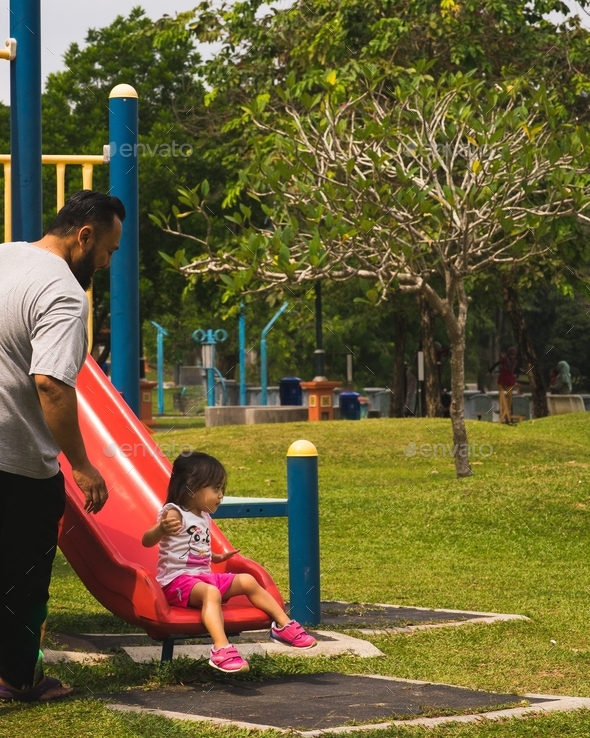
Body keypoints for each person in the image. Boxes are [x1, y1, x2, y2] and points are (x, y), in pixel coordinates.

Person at [0, 191, 125, 702]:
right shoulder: (65, 294)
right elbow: (51, 383)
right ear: (86, 236)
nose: (108, 262)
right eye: (109, 251)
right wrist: (83, 465)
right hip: (17, 462)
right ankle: (18, 679)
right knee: (23, 579)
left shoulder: (5, 254)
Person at [142, 452, 317, 673]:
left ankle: (283, 625)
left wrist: (214, 557)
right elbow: (146, 540)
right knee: (211, 593)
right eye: (215, 489)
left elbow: (193, 549)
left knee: (247, 580)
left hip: (201, 579)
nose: (221, 495)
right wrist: (159, 529)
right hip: (175, 584)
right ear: (191, 487)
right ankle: (221, 648)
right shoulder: (174, 513)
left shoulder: (203, 516)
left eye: (221, 489)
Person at [488, 347, 520, 423]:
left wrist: (517, 378)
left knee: (509, 395)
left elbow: (516, 370)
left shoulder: (515, 362)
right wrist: (490, 371)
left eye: (514, 355)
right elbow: (496, 364)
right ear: (509, 354)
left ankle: (507, 409)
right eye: (511, 355)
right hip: (503, 377)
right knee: (501, 394)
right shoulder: (504, 360)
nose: (513, 356)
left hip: (510, 378)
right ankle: (501, 408)